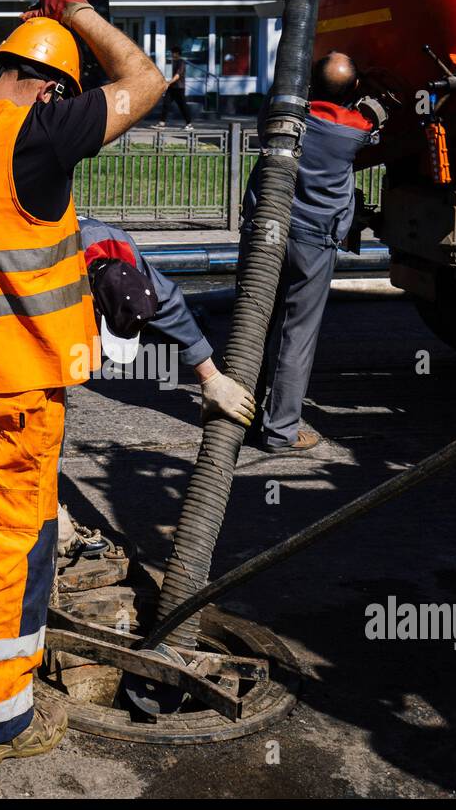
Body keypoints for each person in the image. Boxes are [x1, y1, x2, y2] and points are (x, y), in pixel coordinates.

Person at [0, 0, 167, 769]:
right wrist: (77, 9)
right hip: (13, 383)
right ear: (53, 88)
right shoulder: (38, 132)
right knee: (13, 540)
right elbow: (148, 82)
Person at [55, 217, 256, 559]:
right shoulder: (58, 265)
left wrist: (211, 378)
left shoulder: (124, 257)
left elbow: (169, 305)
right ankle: (43, 515)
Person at [239, 52, 374, 453]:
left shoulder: (283, 116)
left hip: (265, 229)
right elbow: (377, 124)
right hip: (313, 243)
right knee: (296, 335)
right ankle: (280, 431)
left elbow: (271, 109)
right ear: (353, 90)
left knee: (252, 326)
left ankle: (238, 420)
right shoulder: (355, 130)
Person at [158, 50, 192, 129]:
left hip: (179, 88)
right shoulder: (172, 62)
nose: (172, 54)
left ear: (178, 54)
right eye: (172, 53)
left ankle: (189, 124)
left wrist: (168, 83)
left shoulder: (181, 62)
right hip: (172, 87)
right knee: (166, 104)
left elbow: (177, 75)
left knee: (182, 106)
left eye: (174, 53)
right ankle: (162, 123)